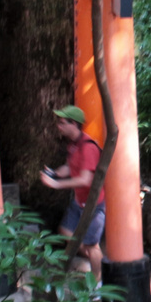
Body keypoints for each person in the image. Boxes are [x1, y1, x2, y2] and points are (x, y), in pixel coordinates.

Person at [40, 106, 104, 278]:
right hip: (79, 201)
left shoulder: (88, 147)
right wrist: (53, 173)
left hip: (94, 204)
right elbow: (69, 168)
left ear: (74, 124)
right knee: (65, 231)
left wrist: (55, 184)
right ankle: (93, 257)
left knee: (92, 247)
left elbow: (85, 179)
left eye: (62, 123)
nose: (58, 126)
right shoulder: (74, 145)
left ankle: (96, 282)